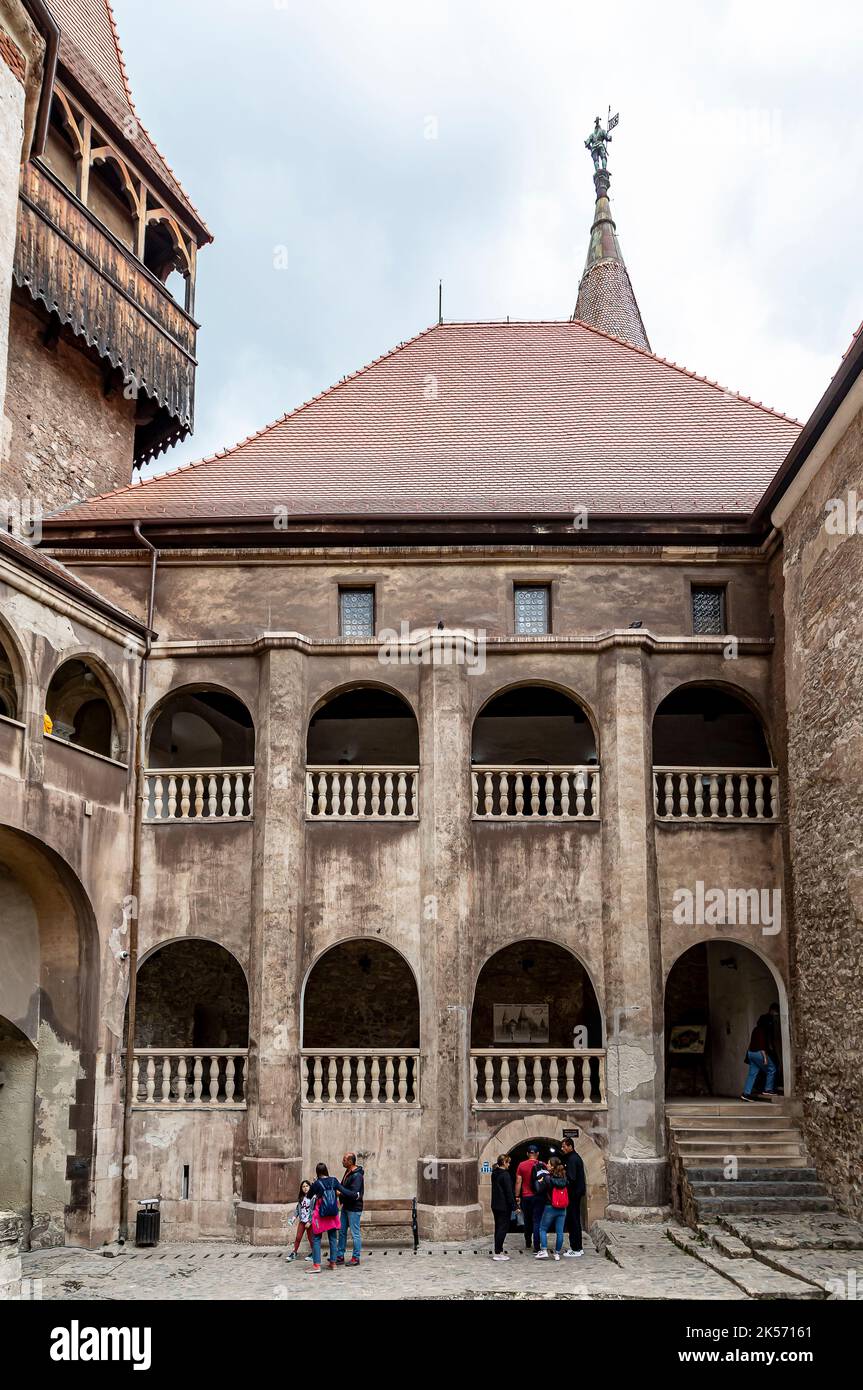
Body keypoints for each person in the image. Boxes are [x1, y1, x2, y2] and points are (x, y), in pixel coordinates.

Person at [307, 1162, 347, 1272]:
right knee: (333, 1239)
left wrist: (314, 1184)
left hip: (320, 1215)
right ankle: (333, 1263)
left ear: (317, 1172)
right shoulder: (334, 1180)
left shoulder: (317, 1183)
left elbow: (308, 1196)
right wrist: (355, 1194)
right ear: (326, 1170)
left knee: (316, 1239)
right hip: (332, 1214)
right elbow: (344, 1191)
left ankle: (316, 1266)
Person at [741, 1003, 781, 1102]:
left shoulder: (755, 1029)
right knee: (772, 1069)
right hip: (759, 1053)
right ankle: (768, 1090)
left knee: (752, 1073)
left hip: (751, 1053)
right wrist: (765, 1058)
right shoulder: (763, 1031)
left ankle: (746, 1093)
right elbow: (762, 1045)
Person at [536, 1158, 569, 1260]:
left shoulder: (547, 1178)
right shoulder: (564, 1178)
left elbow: (539, 1190)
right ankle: (557, 1254)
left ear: (553, 1166)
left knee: (543, 1229)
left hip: (550, 1206)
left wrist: (538, 1181)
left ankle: (544, 1250)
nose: (547, 1164)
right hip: (562, 1208)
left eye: (549, 1163)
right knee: (559, 1231)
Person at [336, 1152, 365, 1266]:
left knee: (355, 1233)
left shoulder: (357, 1175)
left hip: (354, 1209)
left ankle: (356, 1258)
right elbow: (344, 1187)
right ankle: (340, 1256)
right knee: (342, 1231)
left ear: (350, 1162)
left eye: (344, 1160)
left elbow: (354, 1194)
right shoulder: (348, 1172)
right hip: (346, 1207)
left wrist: (340, 1193)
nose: (342, 1161)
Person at [560, 1138, 586, 1257]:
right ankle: (578, 1247)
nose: (562, 1148)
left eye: (564, 1146)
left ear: (570, 1146)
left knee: (573, 1221)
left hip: (573, 1194)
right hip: (576, 1193)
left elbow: (571, 1178)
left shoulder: (572, 1159)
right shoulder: (575, 1157)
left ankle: (575, 1248)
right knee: (575, 1220)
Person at [514, 1144, 540, 1251]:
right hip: (538, 1197)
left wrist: (517, 1196)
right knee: (537, 1221)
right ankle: (537, 1245)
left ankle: (528, 1242)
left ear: (527, 1154)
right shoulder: (541, 1164)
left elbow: (518, 1181)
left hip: (526, 1196)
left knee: (527, 1220)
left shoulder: (521, 1165)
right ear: (537, 1154)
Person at [490, 1154, 515, 1261]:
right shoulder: (505, 1175)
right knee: (502, 1228)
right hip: (503, 1205)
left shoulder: (494, 1173)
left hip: (495, 1204)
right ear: (504, 1163)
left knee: (498, 1228)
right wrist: (514, 1205)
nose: (509, 1164)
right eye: (508, 1162)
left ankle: (497, 1250)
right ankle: (498, 1252)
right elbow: (509, 1192)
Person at [285, 1179, 314, 1261]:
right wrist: (293, 1218)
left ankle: (314, 1253)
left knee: (311, 1238)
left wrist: (310, 1221)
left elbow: (314, 1211)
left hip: (309, 1223)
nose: (305, 1188)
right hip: (302, 1221)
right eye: (303, 1187)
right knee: (298, 1237)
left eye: (307, 1186)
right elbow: (298, 1210)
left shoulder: (313, 1197)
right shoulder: (301, 1198)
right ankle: (294, 1252)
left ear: (310, 1187)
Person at [531, 1153, 551, 1252]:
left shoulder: (535, 1171)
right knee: (545, 1224)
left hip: (536, 1198)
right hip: (546, 1199)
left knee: (536, 1222)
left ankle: (536, 1247)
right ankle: (544, 1245)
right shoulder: (547, 1174)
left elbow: (532, 1185)